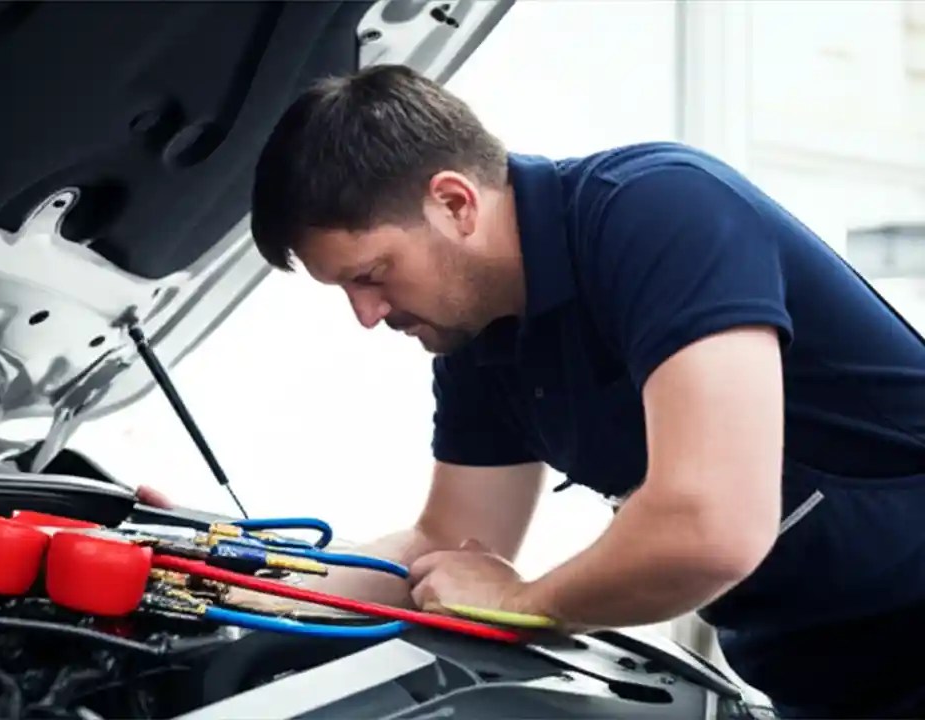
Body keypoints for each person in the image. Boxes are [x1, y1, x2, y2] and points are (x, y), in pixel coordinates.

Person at [138, 64, 925, 718]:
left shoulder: (657, 212)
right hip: (825, 684)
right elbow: (442, 545)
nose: (367, 316)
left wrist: (527, 602)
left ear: (454, 203)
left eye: (372, 275)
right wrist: (223, 579)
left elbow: (709, 525)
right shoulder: (480, 340)